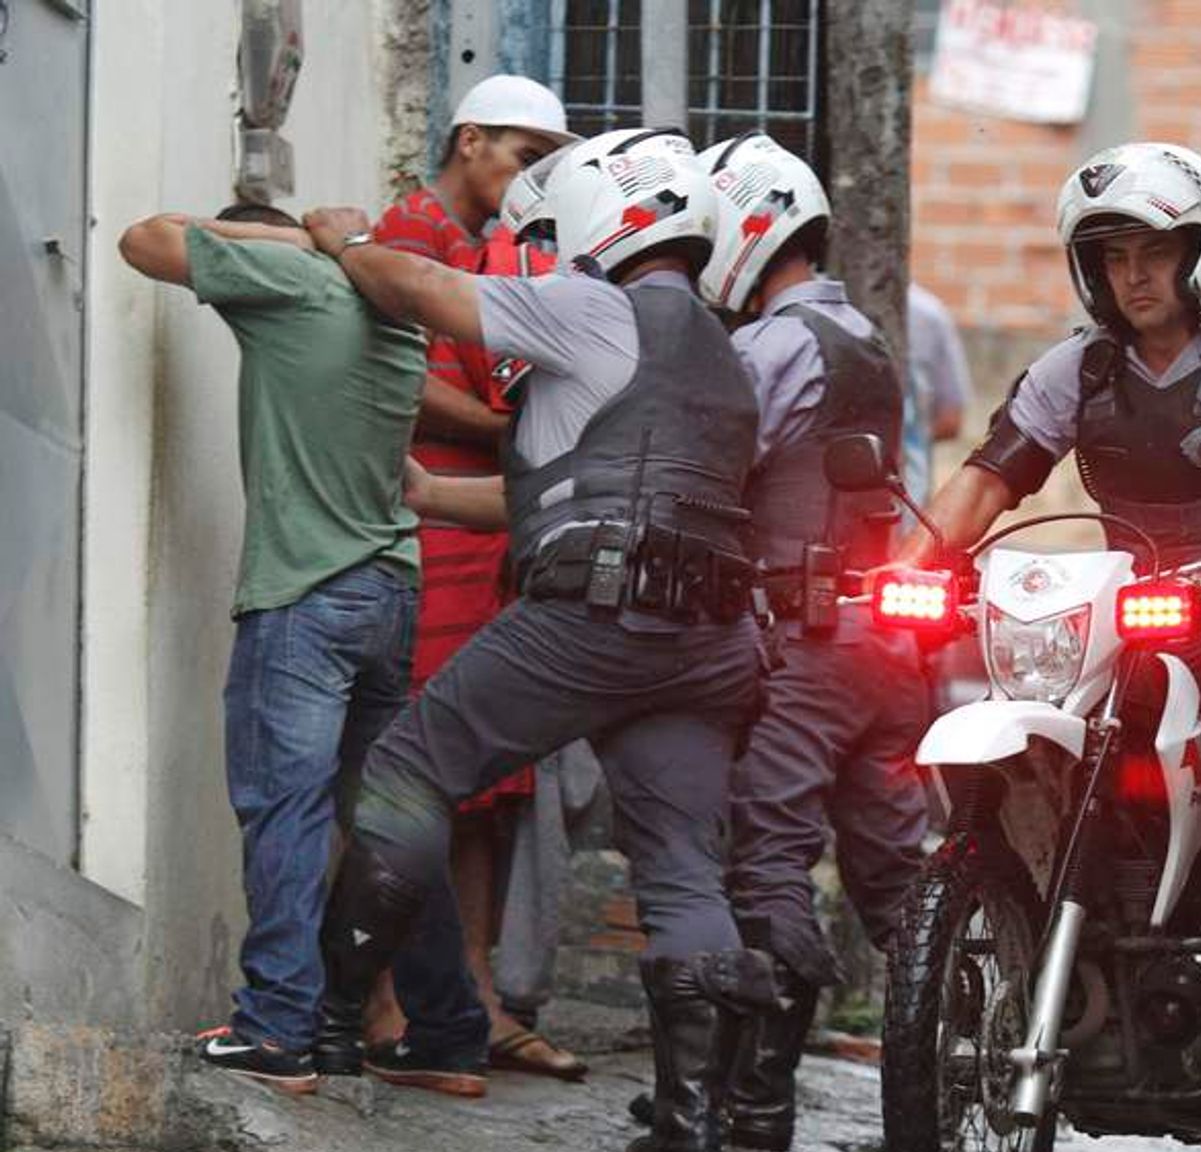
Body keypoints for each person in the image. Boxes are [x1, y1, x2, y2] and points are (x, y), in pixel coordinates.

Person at [302, 126, 774, 1152]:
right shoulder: (723, 358)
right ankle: (693, 1124)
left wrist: (346, 245)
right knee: (682, 870)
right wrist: (427, 493)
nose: (551, 252)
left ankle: (333, 1033)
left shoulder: (595, 308)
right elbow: (569, 494)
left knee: (404, 770)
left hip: (592, 621)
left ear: (608, 212)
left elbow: (419, 291)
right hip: (702, 643)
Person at [909, 141, 1201, 1085]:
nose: (1133, 275)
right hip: (1126, 613)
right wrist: (902, 567)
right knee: (1050, 764)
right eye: (1111, 256)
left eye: (1152, 250)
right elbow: (990, 478)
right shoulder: (1080, 370)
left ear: (1200, 252)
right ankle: (1060, 956)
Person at [620, 131, 926, 1151]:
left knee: (767, 858)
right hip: (884, 653)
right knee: (895, 880)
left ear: (749, 226)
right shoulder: (866, 340)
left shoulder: (766, 347)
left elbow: (709, 468)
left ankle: (755, 1108)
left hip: (804, 642)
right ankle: (974, 1039)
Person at [117, 204, 426, 1093]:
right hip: (391, 589)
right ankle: (354, 1025)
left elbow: (144, 240)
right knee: (374, 825)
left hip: (306, 592)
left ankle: (277, 1028)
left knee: (284, 813)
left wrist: (285, 239)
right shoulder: (392, 310)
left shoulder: (294, 279)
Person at [366, 74, 585, 1096]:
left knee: (490, 786)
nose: (532, 172)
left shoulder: (518, 248)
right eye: (520, 150)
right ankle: (392, 1002)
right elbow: (397, 377)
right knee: (421, 771)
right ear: (467, 140)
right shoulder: (406, 232)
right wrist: (509, 435)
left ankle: (479, 996)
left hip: (497, 531)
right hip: (427, 520)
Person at [902, 281, 971, 505]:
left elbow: (951, 421)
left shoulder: (926, 313)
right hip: (908, 500)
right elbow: (951, 420)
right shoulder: (927, 312)